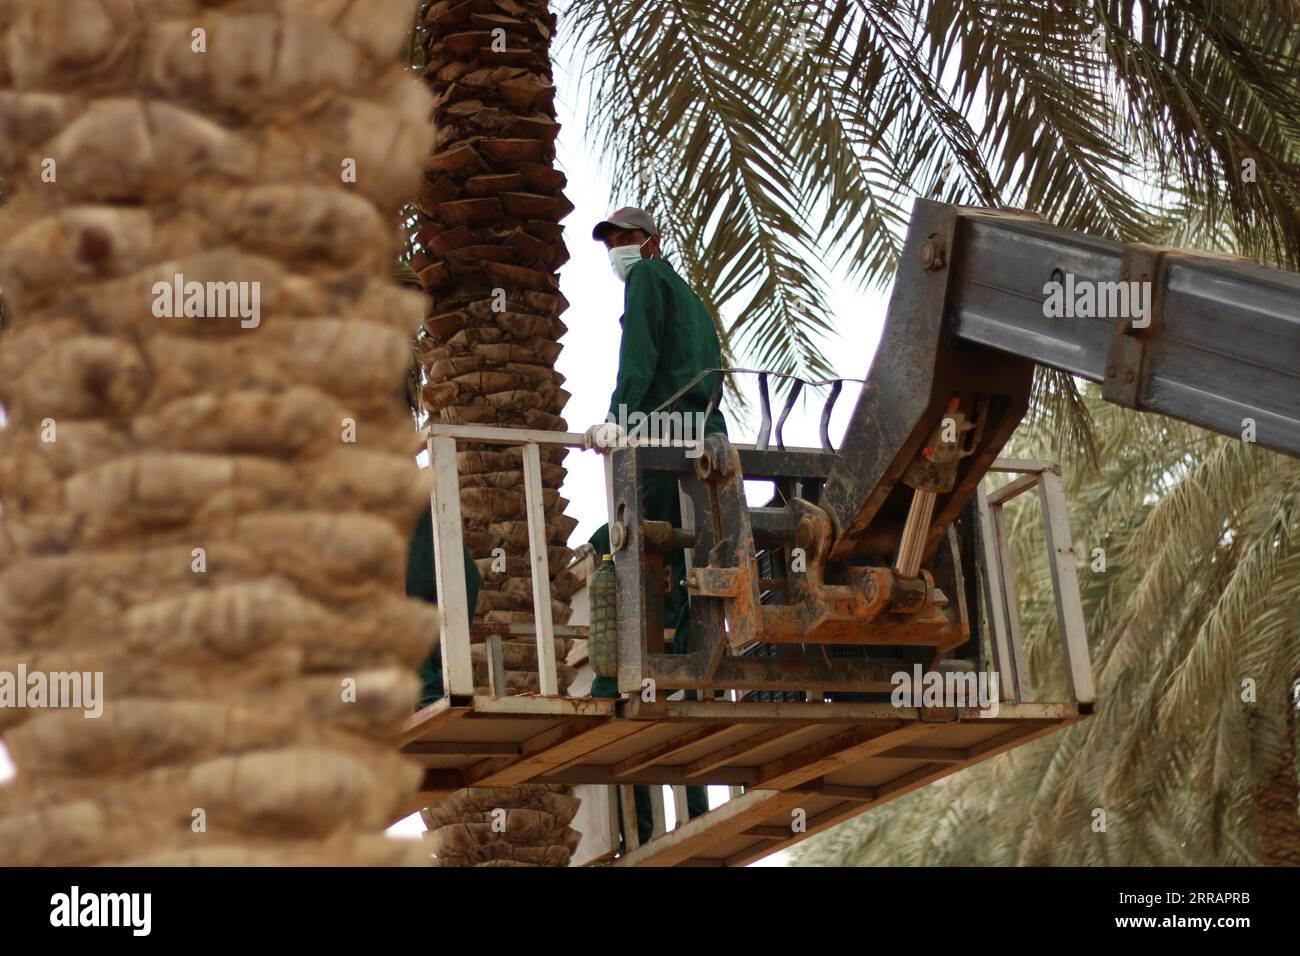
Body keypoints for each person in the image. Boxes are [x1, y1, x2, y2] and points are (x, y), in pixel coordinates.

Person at [583, 206, 728, 846]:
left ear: (651, 241)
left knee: (616, 550)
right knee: (682, 588)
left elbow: (637, 356)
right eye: (610, 243)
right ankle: (695, 808)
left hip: (659, 441)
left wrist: (619, 418)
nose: (616, 250)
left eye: (622, 239)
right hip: (701, 447)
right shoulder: (695, 302)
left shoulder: (648, 280)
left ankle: (618, 679)